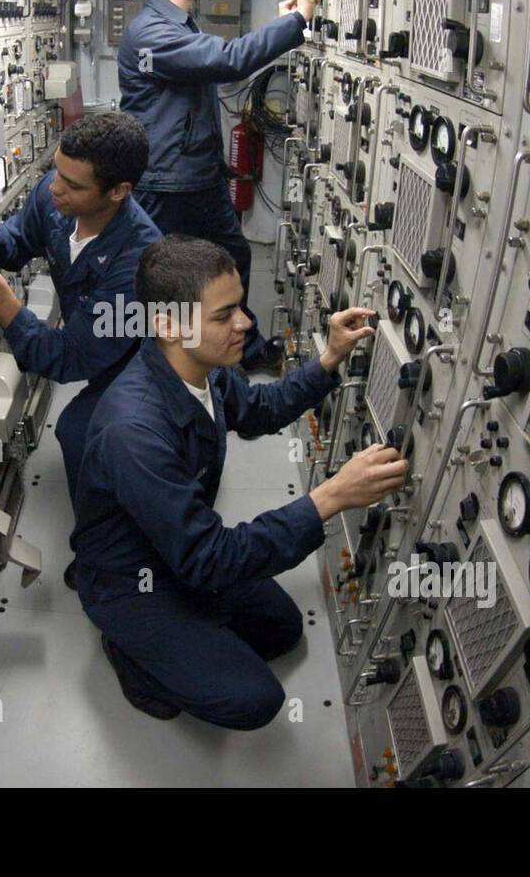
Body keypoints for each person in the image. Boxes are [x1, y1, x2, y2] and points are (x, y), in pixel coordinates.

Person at [71, 236, 409, 729]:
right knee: (253, 700)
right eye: (223, 315)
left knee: (282, 629)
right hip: (131, 578)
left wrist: (329, 359)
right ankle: (130, 654)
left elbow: (259, 410)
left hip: (177, 550)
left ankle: (184, 637)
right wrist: (331, 496)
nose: (246, 324)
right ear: (168, 324)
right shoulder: (133, 431)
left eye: (241, 307)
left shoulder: (199, 367)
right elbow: (210, 558)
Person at [0, 112, 161, 588]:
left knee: (82, 430)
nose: (55, 189)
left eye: (73, 184)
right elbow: (21, 241)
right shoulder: (55, 196)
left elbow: (64, 359)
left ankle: (106, 551)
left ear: (118, 191)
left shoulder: (137, 262)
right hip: (97, 342)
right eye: (57, 171)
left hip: (143, 359)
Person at [118, 0, 321, 377]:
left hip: (198, 175)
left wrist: (283, 25)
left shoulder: (180, 24)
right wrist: (296, 22)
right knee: (158, 278)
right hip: (166, 180)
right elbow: (228, 60)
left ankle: (236, 352)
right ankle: (153, 368)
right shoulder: (151, 32)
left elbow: (217, 58)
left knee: (233, 257)